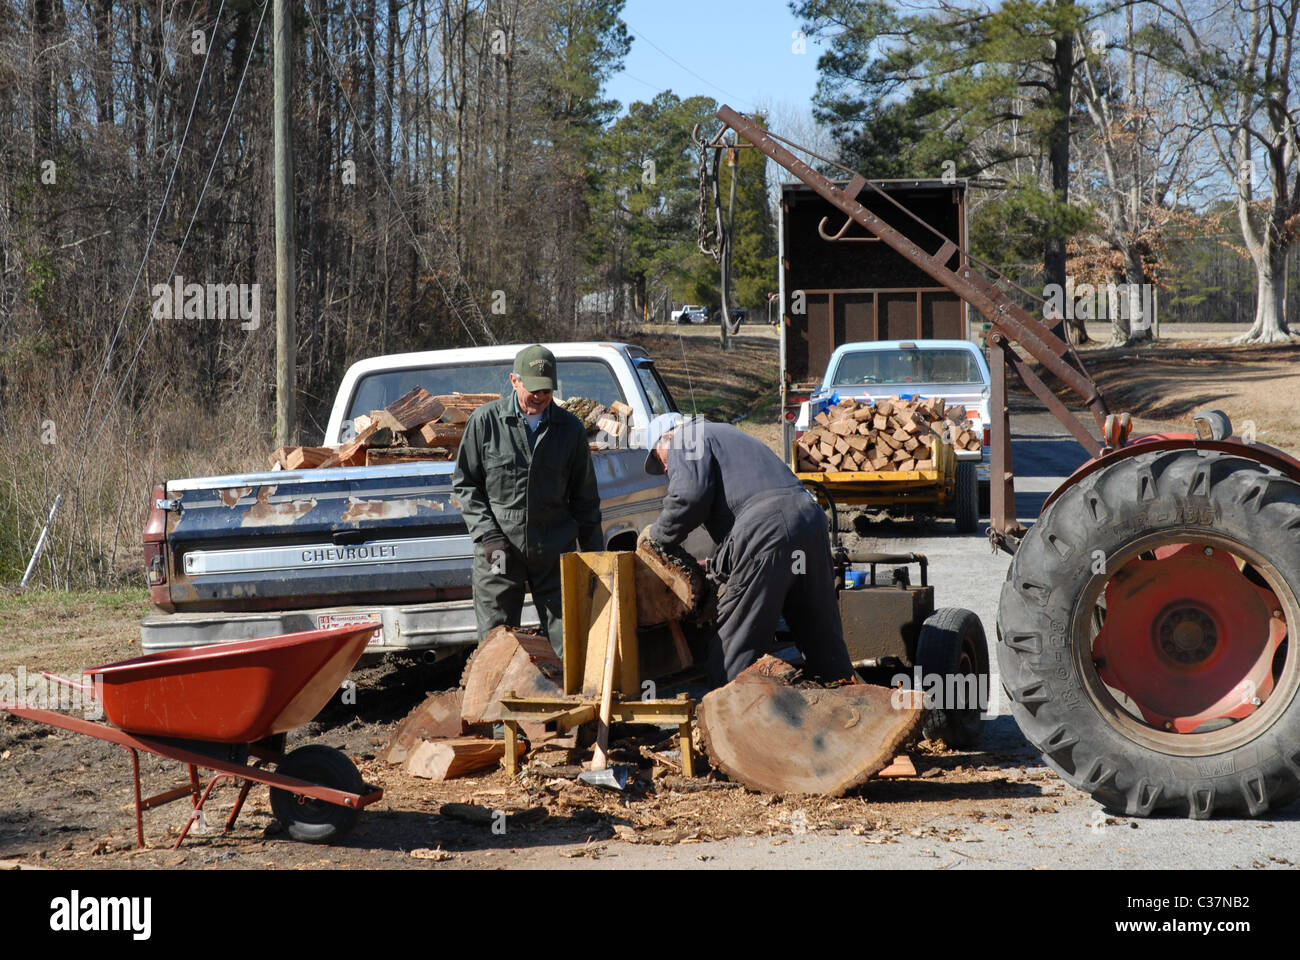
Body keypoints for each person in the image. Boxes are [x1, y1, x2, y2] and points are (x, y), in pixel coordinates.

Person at [640, 413, 858, 689]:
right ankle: (851, 707)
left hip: (768, 528)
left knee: (734, 649)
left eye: (661, 460)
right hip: (809, 518)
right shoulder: (726, 433)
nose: (667, 469)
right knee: (821, 637)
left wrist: (657, 537)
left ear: (667, 437)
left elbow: (688, 497)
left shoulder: (685, 438)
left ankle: (729, 719)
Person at [453, 345, 603, 656]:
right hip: (499, 551)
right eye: (533, 390)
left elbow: (585, 499)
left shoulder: (569, 429)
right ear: (514, 380)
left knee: (569, 646)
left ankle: (567, 700)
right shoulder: (485, 423)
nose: (538, 397)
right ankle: (496, 705)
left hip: (553, 549)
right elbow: (466, 485)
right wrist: (487, 535)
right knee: (497, 649)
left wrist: (594, 558)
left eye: (546, 391)